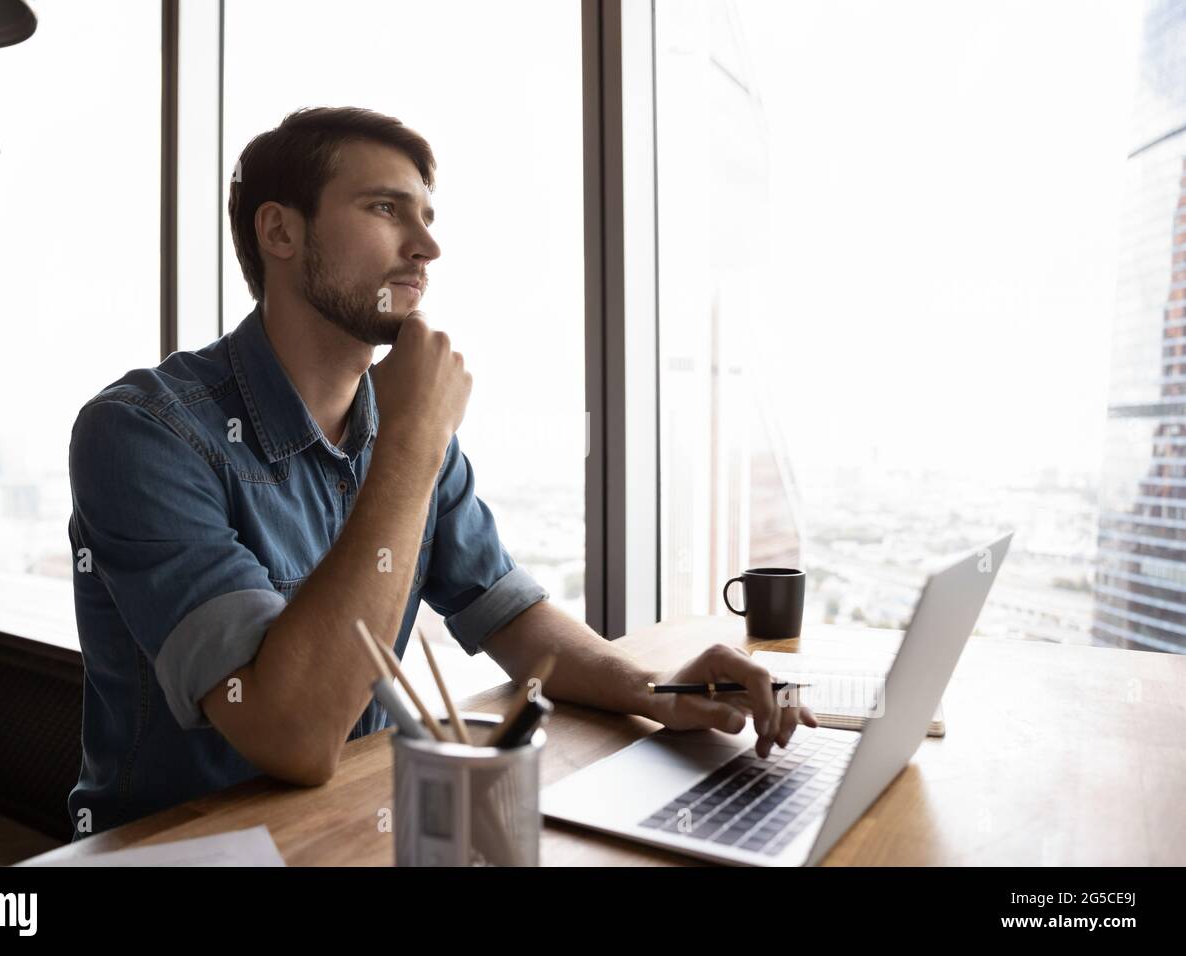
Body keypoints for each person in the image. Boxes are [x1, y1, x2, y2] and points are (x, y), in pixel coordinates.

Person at [66, 106, 814, 839]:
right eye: (386, 208)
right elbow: (292, 734)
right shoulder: (143, 433)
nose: (426, 246)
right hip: (187, 850)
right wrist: (411, 444)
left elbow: (510, 615)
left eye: (427, 216)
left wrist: (660, 686)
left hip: (361, 827)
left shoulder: (404, 425)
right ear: (280, 230)